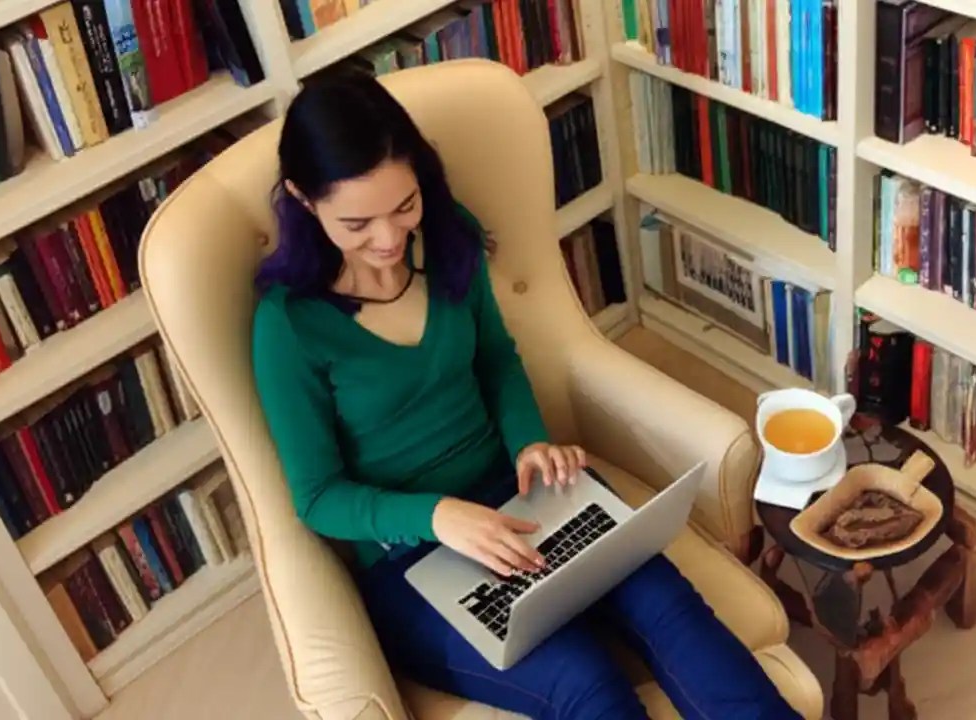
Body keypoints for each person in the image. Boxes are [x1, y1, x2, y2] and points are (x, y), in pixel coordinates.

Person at [250, 71, 801, 720]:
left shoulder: (448, 234)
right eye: (357, 222)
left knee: (671, 611)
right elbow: (317, 499)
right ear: (303, 200)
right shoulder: (288, 326)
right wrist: (438, 516)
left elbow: (495, 362)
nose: (390, 241)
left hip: (524, 495)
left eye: (404, 205)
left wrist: (529, 442)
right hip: (415, 556)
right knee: (587, 685)